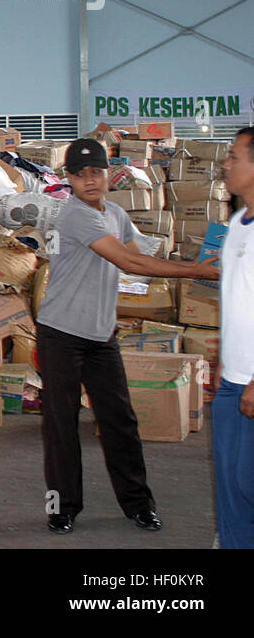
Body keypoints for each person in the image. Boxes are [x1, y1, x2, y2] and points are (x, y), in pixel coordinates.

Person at [37, 138, 220, 535]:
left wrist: (191, 260)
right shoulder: (74, 216)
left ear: (108, 175)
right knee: (61, 423)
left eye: (96, 172)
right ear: (68, 179)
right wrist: (198, 272)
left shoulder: (116, 215)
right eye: (80, 174)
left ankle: (139, 505)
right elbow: (129, 261)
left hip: (100, 335)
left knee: (120, 420)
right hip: (61, 333)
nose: (90, 181)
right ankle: (61, 507)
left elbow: (144, 261)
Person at [215, 127, 254, 548]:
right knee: (229, 487)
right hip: (233, 382)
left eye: (235, 157)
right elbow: (238, 297)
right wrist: (226, 358)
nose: (227, 164)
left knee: (248, 482)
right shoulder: (238, 223)